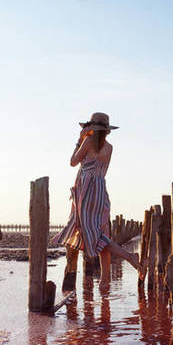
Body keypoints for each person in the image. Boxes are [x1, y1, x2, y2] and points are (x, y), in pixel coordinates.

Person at [55, 112, 143, 276]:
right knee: (100, 232)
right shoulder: (109, 148)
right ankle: (105, 280)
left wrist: (79, 140)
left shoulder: (87, 141)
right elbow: (103, 173)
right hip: (100, 189)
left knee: (89, 231)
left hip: (86, 190)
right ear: (107, 131)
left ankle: (129, 257)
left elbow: (73, 162)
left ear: (91, 128)